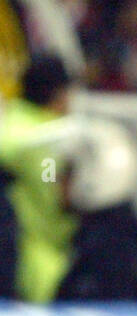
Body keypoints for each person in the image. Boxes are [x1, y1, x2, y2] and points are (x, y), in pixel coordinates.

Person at [0, 55, 78, 303]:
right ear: (55, 94)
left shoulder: (16, 122)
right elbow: (54, 200)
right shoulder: (42, 138)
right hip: (35, 256)